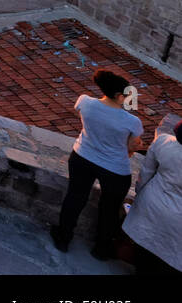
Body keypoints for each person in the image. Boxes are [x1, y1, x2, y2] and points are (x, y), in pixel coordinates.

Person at [50, 68, 144, 259]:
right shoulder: (132, 122)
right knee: (109, 209)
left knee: (75, 198)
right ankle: (101, 249)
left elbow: (86, 122)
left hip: (83, 156)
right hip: (115, 168)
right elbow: (132, 146)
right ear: (118, 95)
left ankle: (63, 238)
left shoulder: (85, 102)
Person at [121, 119, 182, 274]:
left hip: (152, 203)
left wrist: (139, 198)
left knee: (144, 254)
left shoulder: (163, 142)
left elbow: (145, 175)